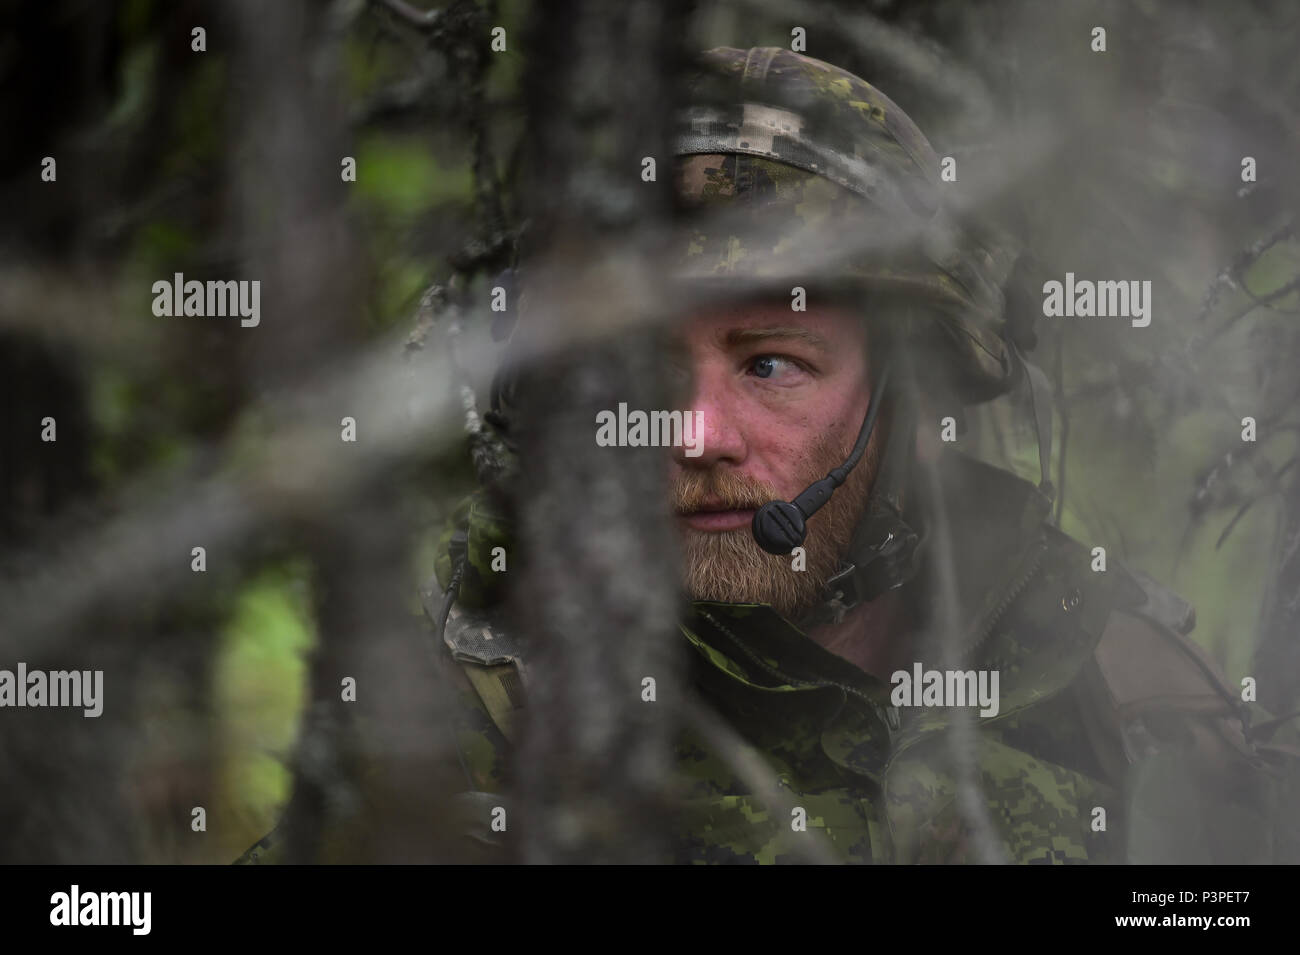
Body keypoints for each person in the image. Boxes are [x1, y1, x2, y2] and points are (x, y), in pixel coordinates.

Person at [239, 47, 1298, 865]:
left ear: (907, 383)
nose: (695, 436)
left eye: (772, 365)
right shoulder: (479, 703)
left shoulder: (1110, 681)